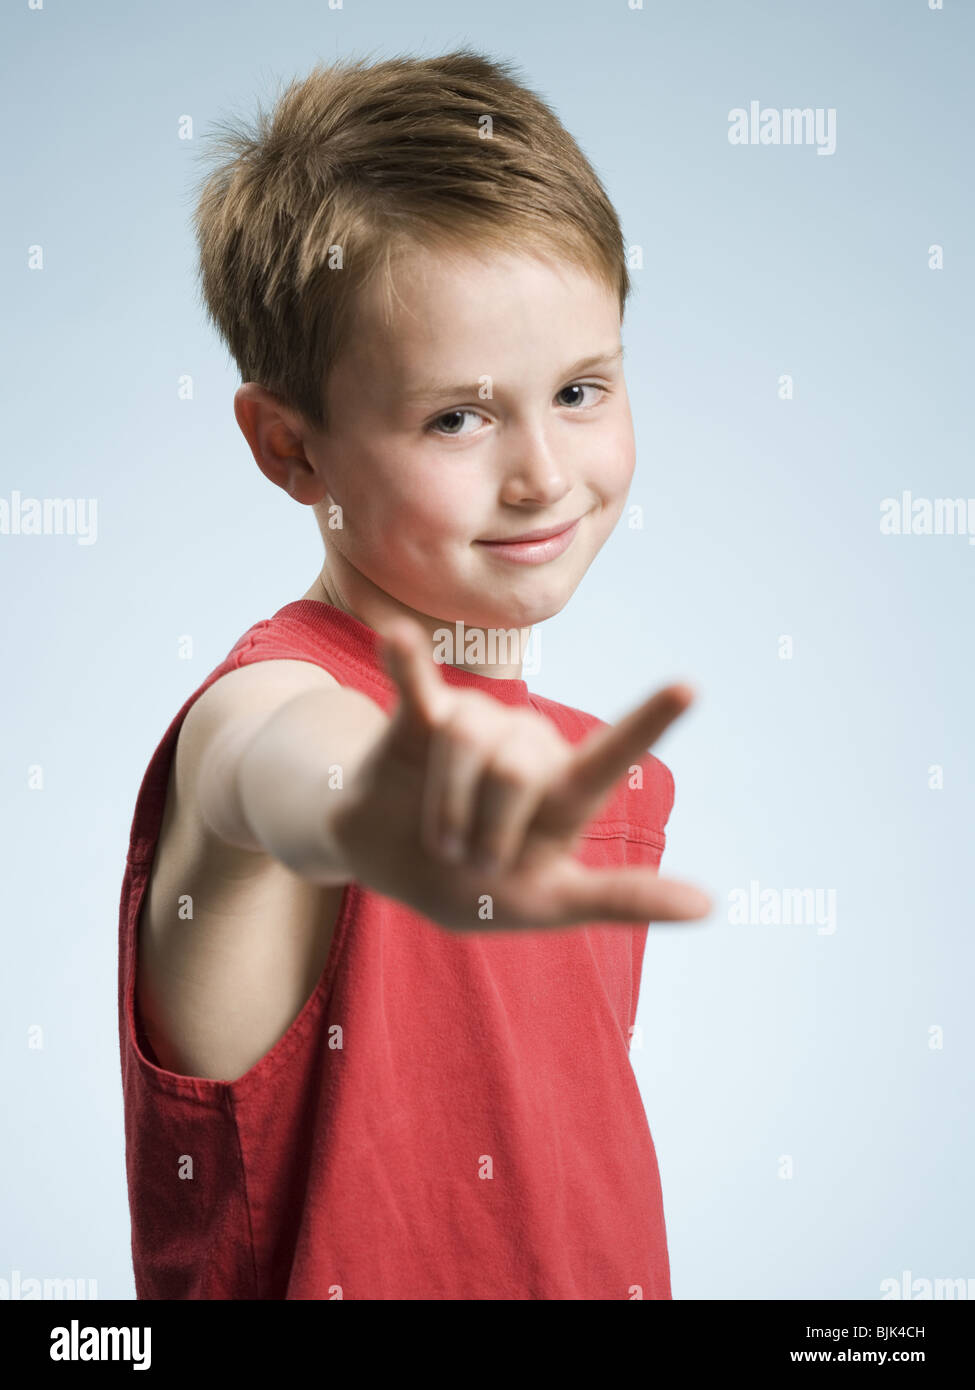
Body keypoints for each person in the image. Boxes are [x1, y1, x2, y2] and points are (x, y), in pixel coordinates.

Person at [118, 48, 711, 1300]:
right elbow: (271, 764)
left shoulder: (578, 777)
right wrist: (383, 801)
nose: (546, 472)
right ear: (291, 449)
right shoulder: (281, 711)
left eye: (581, 389)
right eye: (459, 416)